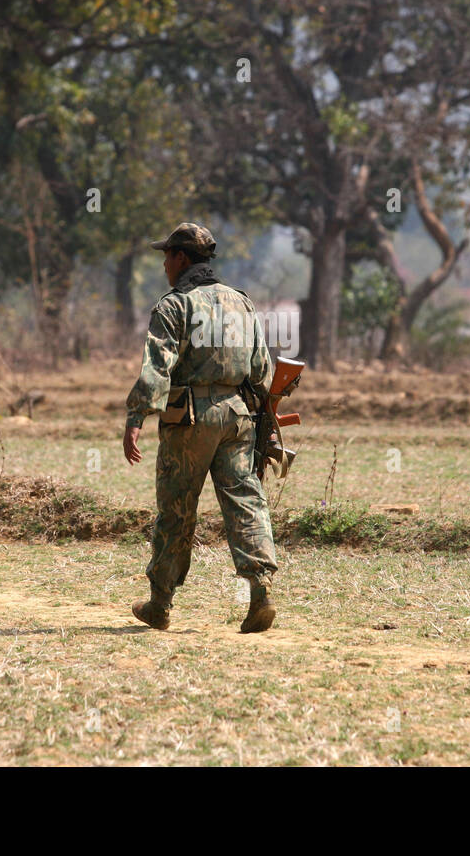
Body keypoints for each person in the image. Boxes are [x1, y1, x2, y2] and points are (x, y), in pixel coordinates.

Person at [123, 222, 278, 633]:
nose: (164, 266)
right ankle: (260, 591)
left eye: (167, 257)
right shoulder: (241, 303)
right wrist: (267, 422)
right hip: (240, 416)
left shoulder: (174, 305)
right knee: (246, 500)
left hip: (190, 418)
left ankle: (160, 603)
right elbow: (263, 369)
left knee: (176, 509)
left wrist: (136, 418)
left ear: (182, 259)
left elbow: (157, 366)